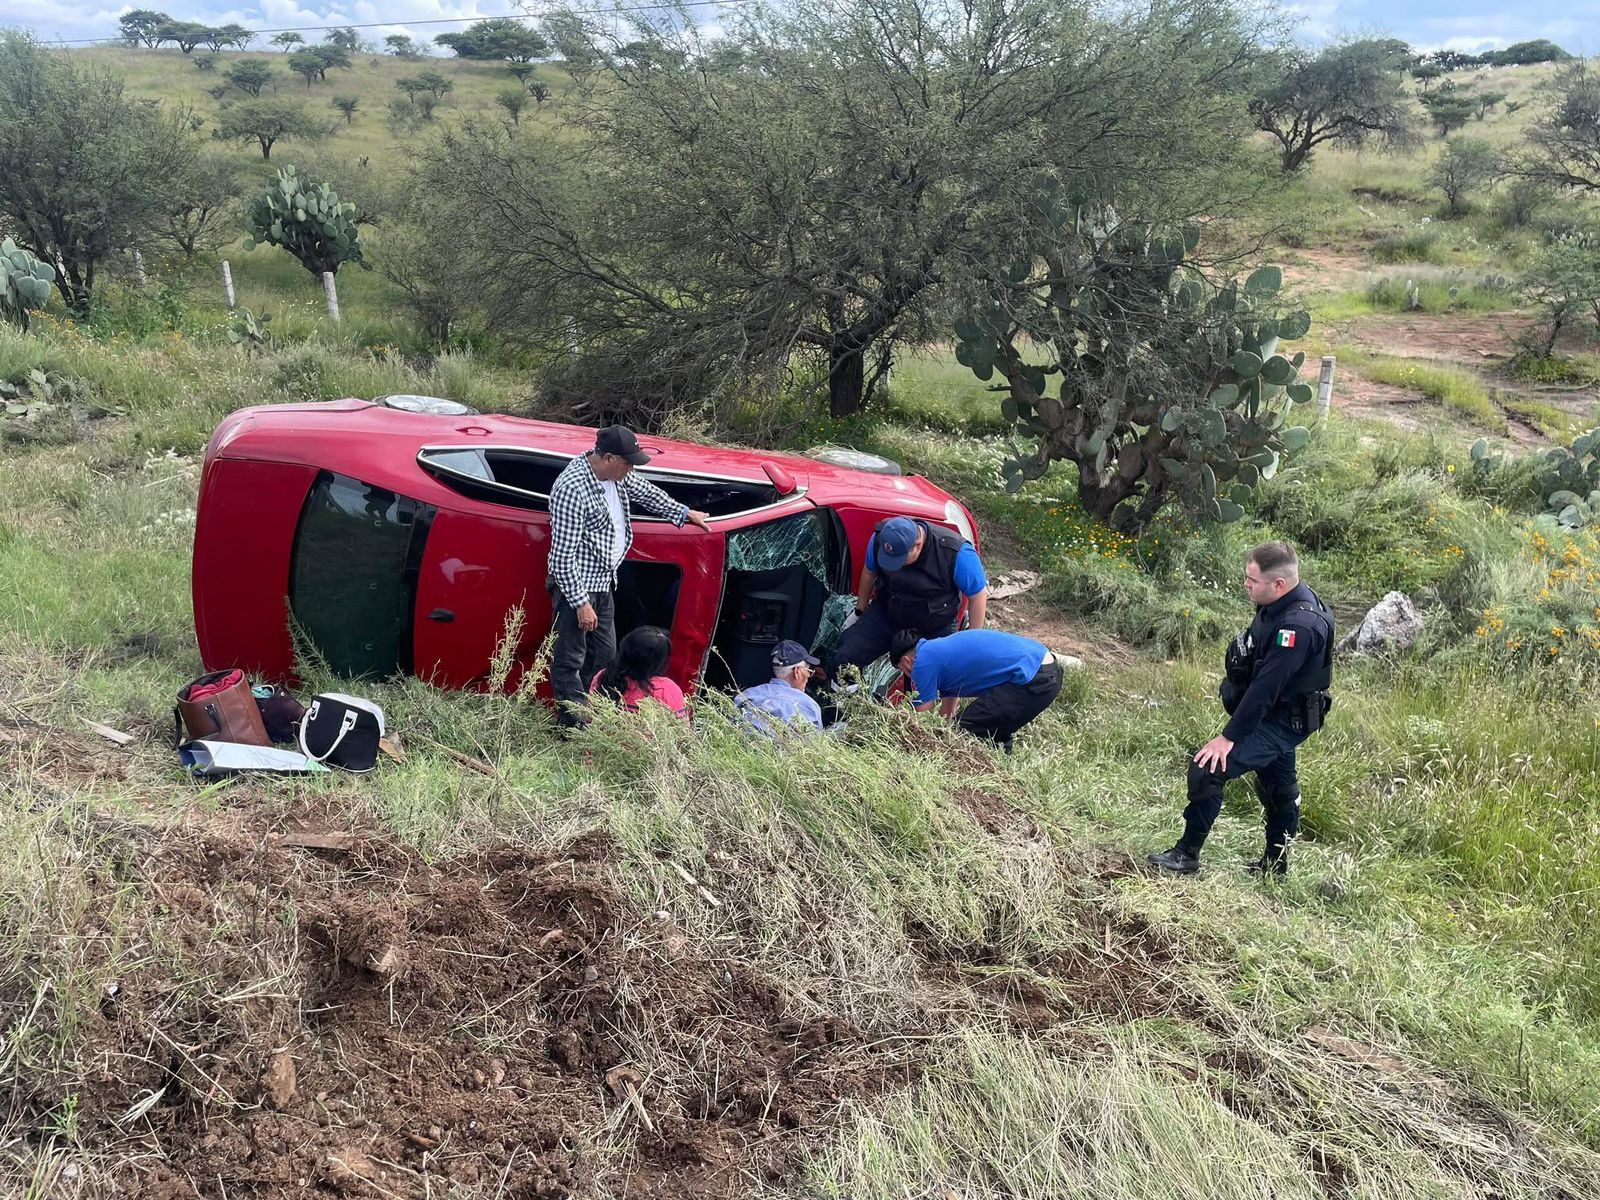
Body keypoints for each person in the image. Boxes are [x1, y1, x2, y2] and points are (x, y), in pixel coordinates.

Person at [1147, 541, 1334, 877]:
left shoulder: (1299, 628)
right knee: (1279, 789)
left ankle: (1185, 856)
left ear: (1279, 584)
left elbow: (1266, 690)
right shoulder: (1276, 602)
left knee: (1209, 767)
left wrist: (1228, 738)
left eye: (1252, 580)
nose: (1246, 585)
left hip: (1281, 720)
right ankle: (1274, 868)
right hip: (1274, 712)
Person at [547, 425, 710, 727]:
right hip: (578, 586)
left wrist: (685, 513)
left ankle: (598, 716)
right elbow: (561, 557)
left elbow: (648, 493)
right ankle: (572, 725)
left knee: (607, 655)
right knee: (570, 659)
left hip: (605, 581)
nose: (632, 468)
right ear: (608, 458)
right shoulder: (572, 488)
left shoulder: (616, 475)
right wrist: (581, 603)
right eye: (628, 462)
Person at [834, 515, 989, 671]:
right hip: (888, 613)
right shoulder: (882, 538)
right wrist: (859, 610)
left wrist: (972, 642)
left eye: (899, 559)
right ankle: (843, 693)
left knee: (938, 673)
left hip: (935, 624)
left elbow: (977, 595)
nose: (894, 564)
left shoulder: (955, 552)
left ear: (917, 545)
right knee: (845, 656)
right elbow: (870, 571)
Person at [890, 627, 1064, 753]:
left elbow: (922, 722)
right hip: (1046, 671)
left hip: (1033, 678)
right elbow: (947, 713)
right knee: (990, 730)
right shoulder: (939, 652)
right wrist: (943, 732)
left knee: (963, 731)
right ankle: (1002, 772)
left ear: (906, 661)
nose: (910, 677)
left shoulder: (922, 662)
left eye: (903, 671)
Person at [590, 625, 689, 719]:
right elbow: (681, 732)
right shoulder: (666, 689)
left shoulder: (603, 677)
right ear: (660, 661)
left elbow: (590, 718)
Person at [734, 640, 825, 736]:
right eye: (809, 671)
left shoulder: (746, 695)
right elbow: (815, 746)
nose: (808, 676)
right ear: (797, 672)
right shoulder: (809, 707)